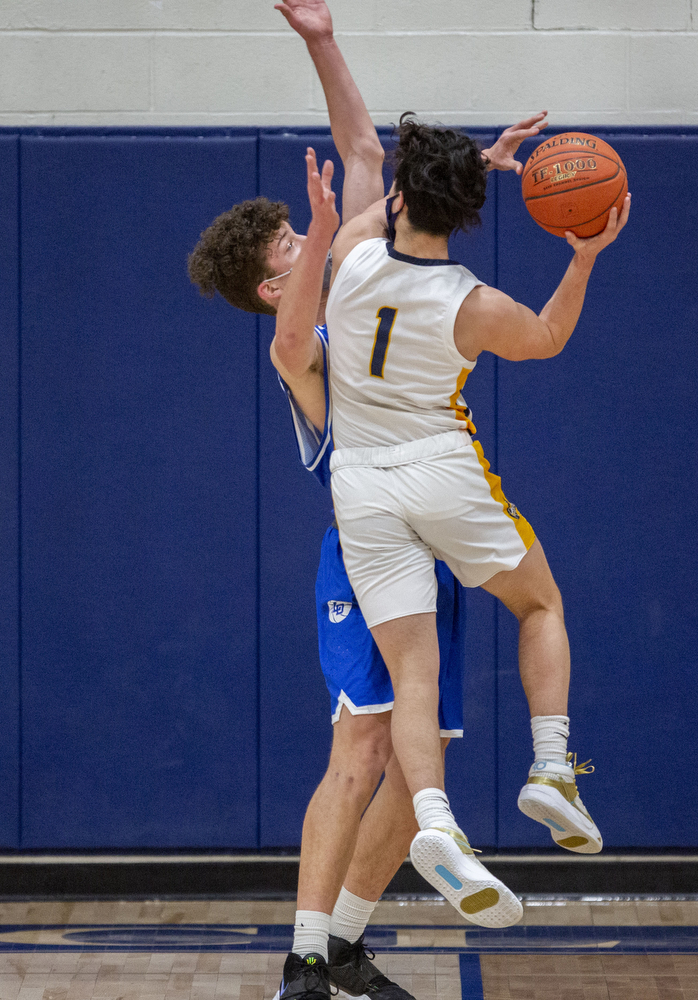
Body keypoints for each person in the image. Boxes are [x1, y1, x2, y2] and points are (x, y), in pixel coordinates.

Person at [187, 4, 546, 998]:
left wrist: (321, 41)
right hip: (362, 548)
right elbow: (295, 339)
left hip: (435, 535)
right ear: (271, 285)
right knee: (363, 739)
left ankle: (343, 942)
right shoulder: (300, 350)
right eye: (292, 246)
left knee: (415, 762)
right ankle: (303, 960)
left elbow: (363, 149)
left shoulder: (358, 260)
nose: (316, 239)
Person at [311, 116, 631, 925]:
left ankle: (439, 826)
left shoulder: (347, 253)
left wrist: (475, 164)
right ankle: (551, 770)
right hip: (439, 470)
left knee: (413, 673)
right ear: (465, 216)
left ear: (401, 197)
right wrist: (584, 255)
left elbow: (389, 202)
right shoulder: (473, 303)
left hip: (361, 489)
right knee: (541, 603)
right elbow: (551, 336)